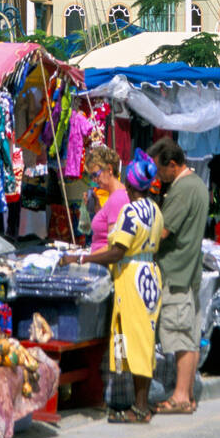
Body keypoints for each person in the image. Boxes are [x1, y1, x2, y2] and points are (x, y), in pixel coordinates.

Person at [67, 149, 163, 423]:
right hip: (148, 274)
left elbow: (117, 251)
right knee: (128, 338)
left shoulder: (131, 212)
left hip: (131, 278)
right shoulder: (155, 210)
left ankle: (140, 407)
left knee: (137, 340)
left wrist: (81, 257)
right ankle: (123, 399)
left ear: (131, 185)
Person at [149, 138, 209, 414]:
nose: (158, 176)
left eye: (161, 170)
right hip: (190, 270)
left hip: (176, 272)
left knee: (180, 336)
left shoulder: (182, 190)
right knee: (190, 334)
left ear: (172, 165)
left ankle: (181, 396)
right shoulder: (196, 184)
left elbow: (161, 231)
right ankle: (187, 394)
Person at [83, 146, 129, 254]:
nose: (94, 180)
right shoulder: (115, 195)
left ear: (109, 169)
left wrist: (84, 259)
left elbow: (112, 245)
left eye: (95, 175)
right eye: (91, 176)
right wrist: (97, 208)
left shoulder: (117, 198)